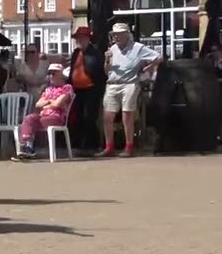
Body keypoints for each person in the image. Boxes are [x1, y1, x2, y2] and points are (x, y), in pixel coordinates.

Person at [100, 22, 161, 157]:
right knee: (107, 116)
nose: (116, 37)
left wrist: (149, 68)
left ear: (127, 34)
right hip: (112, 83)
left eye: (119, 34)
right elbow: (106, 71)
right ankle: (109, 146)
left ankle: (129, 147)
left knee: (127, 114)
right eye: (114, 34)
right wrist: (107, 61)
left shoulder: (138, 48)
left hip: (130, 83)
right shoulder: (112, 49)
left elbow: (158, 57)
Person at [12, 63, 74, 160]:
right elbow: (38, 104)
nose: (51, 76)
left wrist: (48, 102)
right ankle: (27, 146)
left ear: (61, 74)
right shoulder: (49, 89)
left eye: (54, 73)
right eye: (49, 74)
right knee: (29, 118)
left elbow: (57, 104)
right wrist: (50, 102)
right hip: (43, 116)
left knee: (32, 123)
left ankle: (27, 148)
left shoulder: (67, 88)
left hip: (56, 117)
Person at [66, 26, 106, 154]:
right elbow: (73, 70)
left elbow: (98, 72)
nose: (79, 41)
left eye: (82, 38)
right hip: (77, 90)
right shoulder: (75, 53)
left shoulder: (95, 53)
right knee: (76, 117)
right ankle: (78, 144)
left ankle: (91, 144)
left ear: (88, 39)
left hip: (91, 90)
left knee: (89, 117)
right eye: (78, 38)